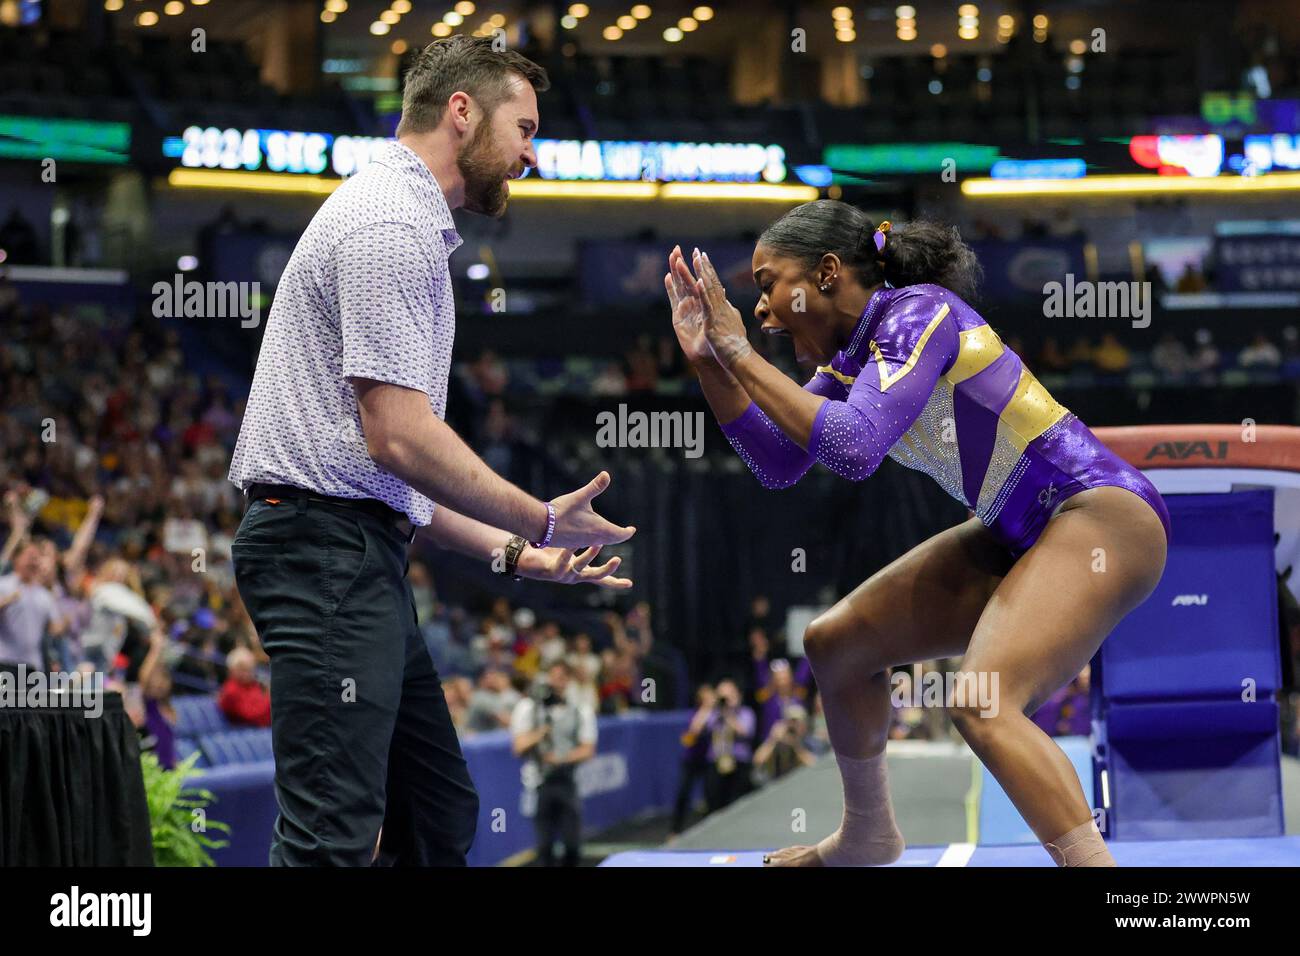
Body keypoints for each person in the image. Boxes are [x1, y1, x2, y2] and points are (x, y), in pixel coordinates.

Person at [226, 37, 634, 867]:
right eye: (522, 127)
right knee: (329, 835)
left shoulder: (401, 216)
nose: (531, 151)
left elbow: (390, 470)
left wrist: (517, 552)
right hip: (324, 552)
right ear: (462, 112)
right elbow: (401, 439)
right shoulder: (390, 221)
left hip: (350, 546)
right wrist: (543, 518)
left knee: (438, 811)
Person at [666, 202, 1171, 867]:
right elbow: (778, 463)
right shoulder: (850, 360)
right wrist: (710, 363)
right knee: (836, 644)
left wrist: (738, 353)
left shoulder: (917, 313)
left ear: (825, 273)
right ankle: (868, 837)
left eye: (765, 285)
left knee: (981, 701)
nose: (759, 311)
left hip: (1099, 514)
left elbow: (854, 448)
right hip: (1014, 529)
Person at [510, 660, 597, 867]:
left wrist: (561, 759)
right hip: (539, 783)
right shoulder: (529, 708)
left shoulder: (580, 710)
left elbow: (588, 749)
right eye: (554, 676)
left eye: (563, 677)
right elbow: (518, 746)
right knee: (544, 846)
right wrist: (541, 733)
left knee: (572, 846)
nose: (558, 682)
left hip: (568, 781)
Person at [218, 646, 271, 728]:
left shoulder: (252, 685)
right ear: (232, 670)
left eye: (250, 669)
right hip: (244, 730)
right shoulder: (231, 690)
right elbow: (252, 716)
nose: (248, 673)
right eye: (243, 669)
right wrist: (270, 699)